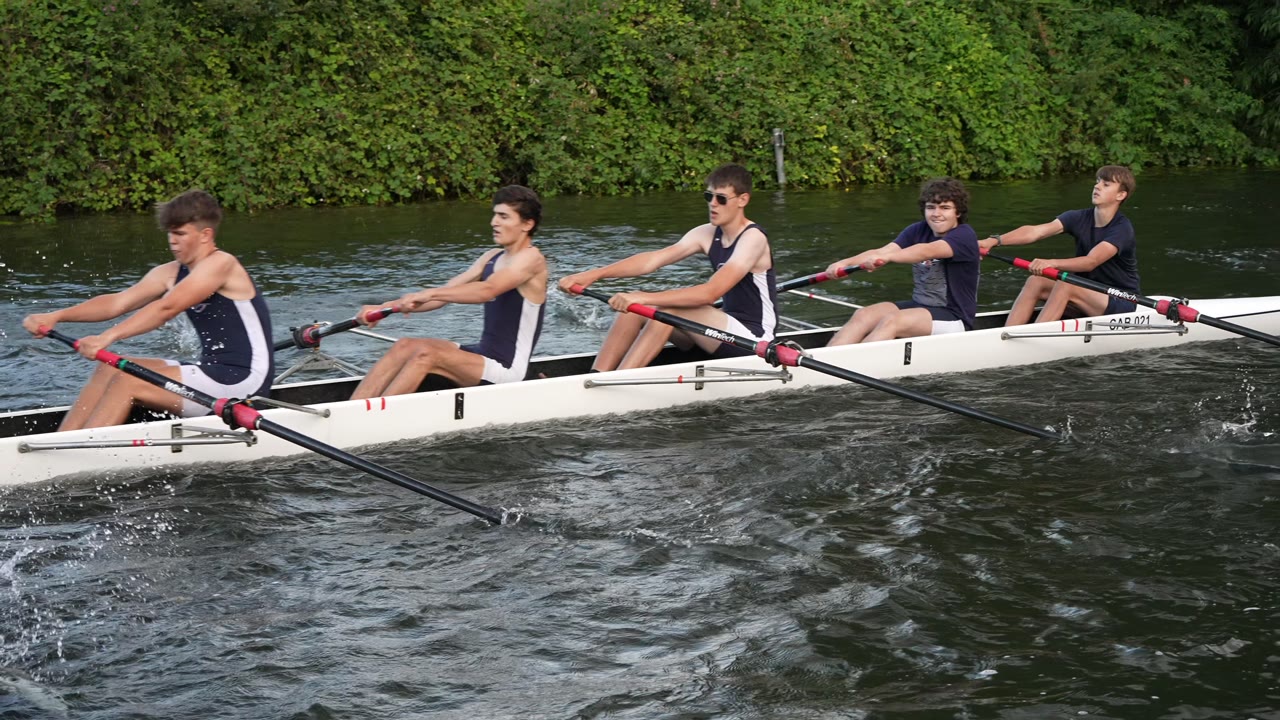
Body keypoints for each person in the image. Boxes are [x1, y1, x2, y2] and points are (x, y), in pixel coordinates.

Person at [22, 189, 274, 431]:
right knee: (110, 368)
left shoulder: (222, 264)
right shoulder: (170, 272)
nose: (173, 241)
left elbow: (167, 307)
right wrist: (56, 316)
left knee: (128, 379)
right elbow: (117, 303)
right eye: (169, 233)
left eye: (180, 234)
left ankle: (79, 457)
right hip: (213, 371)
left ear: (205, 235)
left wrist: (105, 337)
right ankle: (63, 441)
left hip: (244, 382)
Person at [556, 163, 778, 370]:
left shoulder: (753, 239)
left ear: (742, 200)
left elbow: (709, 294)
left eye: (721, 199)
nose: (712, 203)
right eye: (708, 196)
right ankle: (597, 375)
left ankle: (622, 378)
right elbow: (651, 260)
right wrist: (594, 275)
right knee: (633, 311)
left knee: (664, 308)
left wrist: (643, 296)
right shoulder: (706, 233)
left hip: (753, 340)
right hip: (718, 328)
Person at [350, 185, 546, 399]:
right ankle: (351, 409)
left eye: (503, 217)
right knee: (405, 345)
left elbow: (487, 291)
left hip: (508, 370)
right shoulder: (492, 256)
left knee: (427, 354)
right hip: (482, 355)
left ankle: (375, 419)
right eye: (494, 215)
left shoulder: (532, 260)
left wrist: (432, 293)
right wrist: (385, 308)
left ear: (527, 224)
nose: (494, 222)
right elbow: (443, 296)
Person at [826, 177, 980, 345]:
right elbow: (882, 251)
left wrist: (888, 258)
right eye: (930, 208)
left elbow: (926, 251)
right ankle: (824, 361)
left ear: (957, 212)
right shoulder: (917, 230)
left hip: (954, 316)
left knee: (892, 321)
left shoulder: (964, 235)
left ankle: (850, 363)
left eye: (945, 208)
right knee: (864, 314)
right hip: (920, 306)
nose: (936, 214)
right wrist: (845, 263)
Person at [978, 165, 1138, 326]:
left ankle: (1036, 336)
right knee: (1036, 280)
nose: (1097, 186)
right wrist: (993, 241)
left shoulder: (1122, 229)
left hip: (1120, 298)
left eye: (1106, 184)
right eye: (1097, 182)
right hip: (1084, 291)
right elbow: (1036, 232)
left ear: (1121, 195)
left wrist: (1051, 263)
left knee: (1066, 284)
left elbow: (1091, 262)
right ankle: (1007, 333)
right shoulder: (1078, 217)